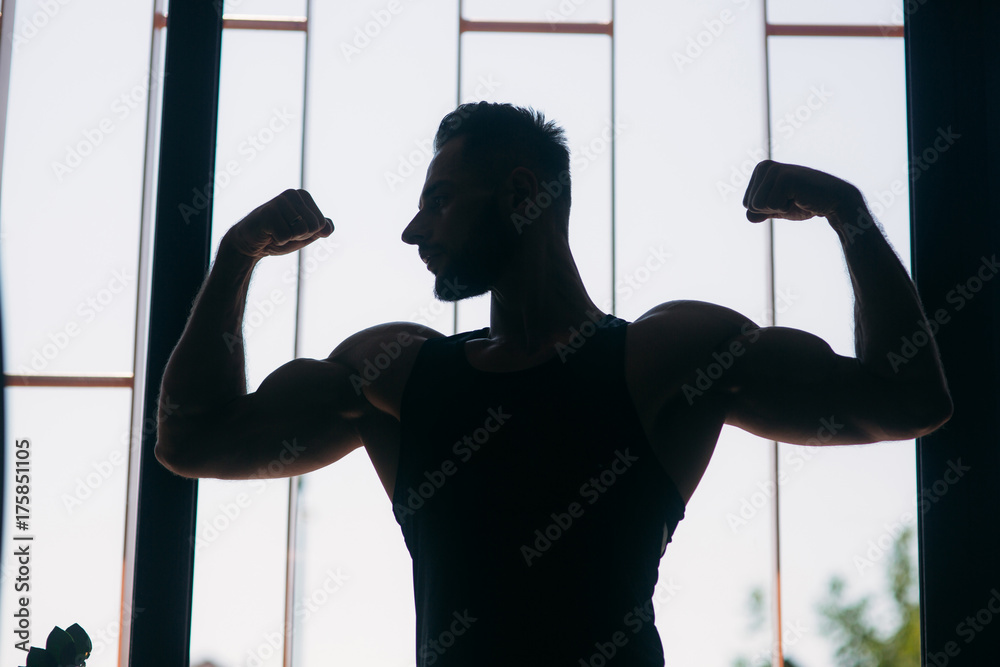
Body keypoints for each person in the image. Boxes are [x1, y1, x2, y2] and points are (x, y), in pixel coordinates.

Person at [155, 102, 952, 666]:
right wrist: (236, 254)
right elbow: (191, 438)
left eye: (437, 199)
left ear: (522, 193)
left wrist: (849, 212)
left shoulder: (667, 356)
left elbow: (908, 398)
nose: (414, 228)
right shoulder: (398, 372)